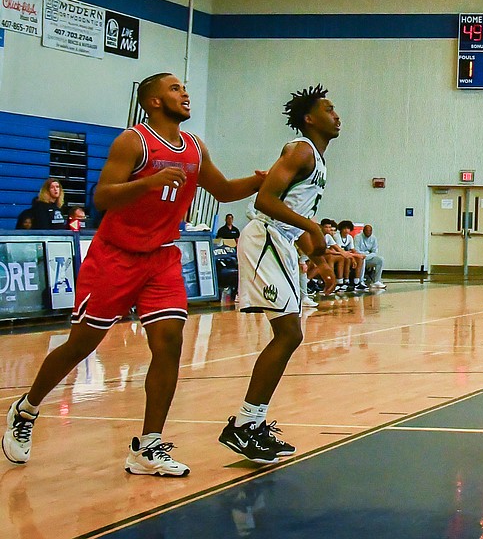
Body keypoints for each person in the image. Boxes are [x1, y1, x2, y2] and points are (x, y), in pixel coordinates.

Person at [3, 73, 264, 476]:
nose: (185, 94)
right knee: (81, 345)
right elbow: (102, 196)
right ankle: (27, 408)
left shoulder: (194, 147)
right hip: (115, 256)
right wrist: (149, 183)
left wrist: (262, 181)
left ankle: (148, 446)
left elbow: (225, 190)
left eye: (184, 88)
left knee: (170, 342)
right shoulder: (134, 141)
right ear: (155, 101)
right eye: (176, 89)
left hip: (161, 258)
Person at [219, 84, 339, 464]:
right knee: (289, 333)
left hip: (281, 240)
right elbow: (265, 201)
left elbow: (291, 215)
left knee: (290, 334)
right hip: (264, 237)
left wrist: (315, 255)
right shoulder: (299, 148)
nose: (337, 115)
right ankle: (245, 425)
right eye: (329, 109)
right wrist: (314, 228)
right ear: (309, 118)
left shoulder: (317, 160)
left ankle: (250, 424)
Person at [337, 220, 369, 291]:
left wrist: (359, 255)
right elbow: (341, 251)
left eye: (348, 228)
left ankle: (356, 281)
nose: (346, 230)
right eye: (344, 228)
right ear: (341, 229)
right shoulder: (337, 236)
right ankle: (345, 281)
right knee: (348, 259)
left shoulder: (349, 237)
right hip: (338, 254)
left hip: (347, 254)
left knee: (360, 258)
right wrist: (354, 257)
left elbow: (352, 249)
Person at [355, 223, 385, 289]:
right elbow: (356, 250)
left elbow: (374, 252)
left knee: (380, 260)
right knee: (362, 259)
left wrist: (367, 255)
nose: (368, 232)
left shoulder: (373, 238)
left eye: (370, 231)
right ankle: (361, 281)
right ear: (363, 231)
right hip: (359, 258)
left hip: (368, 257)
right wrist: (365, 254)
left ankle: (376, 281)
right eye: (367, 231)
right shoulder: (358, 237)